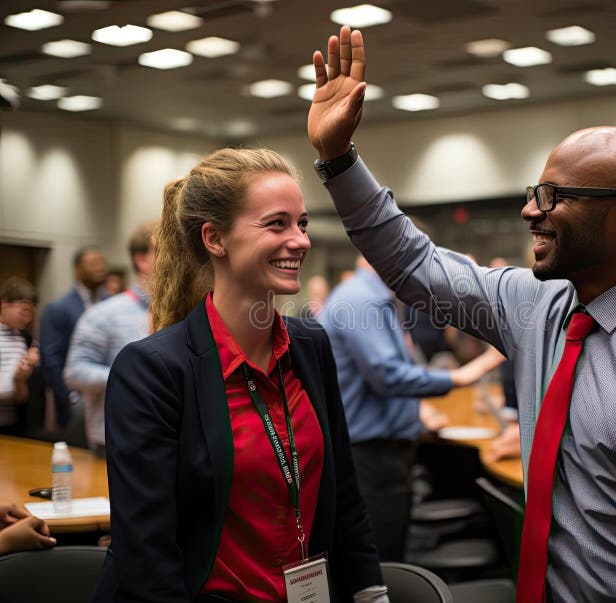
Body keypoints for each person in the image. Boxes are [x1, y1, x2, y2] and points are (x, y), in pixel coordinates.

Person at [306, 26, 616, 600]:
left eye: (555, 196)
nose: (532, 210)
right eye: (535, 191)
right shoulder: (535, 303)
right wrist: (338, 158)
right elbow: (414, 262)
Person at [92, 148, 385, 603]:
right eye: (277, 224)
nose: (300, 240)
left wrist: (370, 592)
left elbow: (343, 492)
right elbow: (146, 553)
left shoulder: (310, 347)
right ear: (215, 239)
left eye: (302, 223)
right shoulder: (153, 370)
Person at [319, 256, 501, 561]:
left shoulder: (373, 297)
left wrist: (415, 411)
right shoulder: (362, 300)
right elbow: (387, 375)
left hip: (376, 452)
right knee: (382, 561)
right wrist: (462, 376)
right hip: (371, 457)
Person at [64, 222, 156, 455]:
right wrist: (127, 377)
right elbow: (74, 372)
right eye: (167, 252)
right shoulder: (104, 315)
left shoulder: (184, 313)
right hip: (114, 444)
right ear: (142, 260)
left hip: (166, 444)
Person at [39, 246, 108, 430]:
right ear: (78, 270)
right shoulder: (58, 308)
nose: (100, 268)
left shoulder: (112, 304)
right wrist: (67, 397)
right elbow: (50, 358)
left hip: (106, 397)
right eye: (93, 264)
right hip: (75, 398)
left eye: (101, 263)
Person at [0, 277, 40, 436]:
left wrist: (19, 379)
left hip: (12, 424)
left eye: (31, 312)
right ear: (4, 304)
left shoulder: (25, 339)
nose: (28, 318)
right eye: (24, 311)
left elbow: (20, 398)